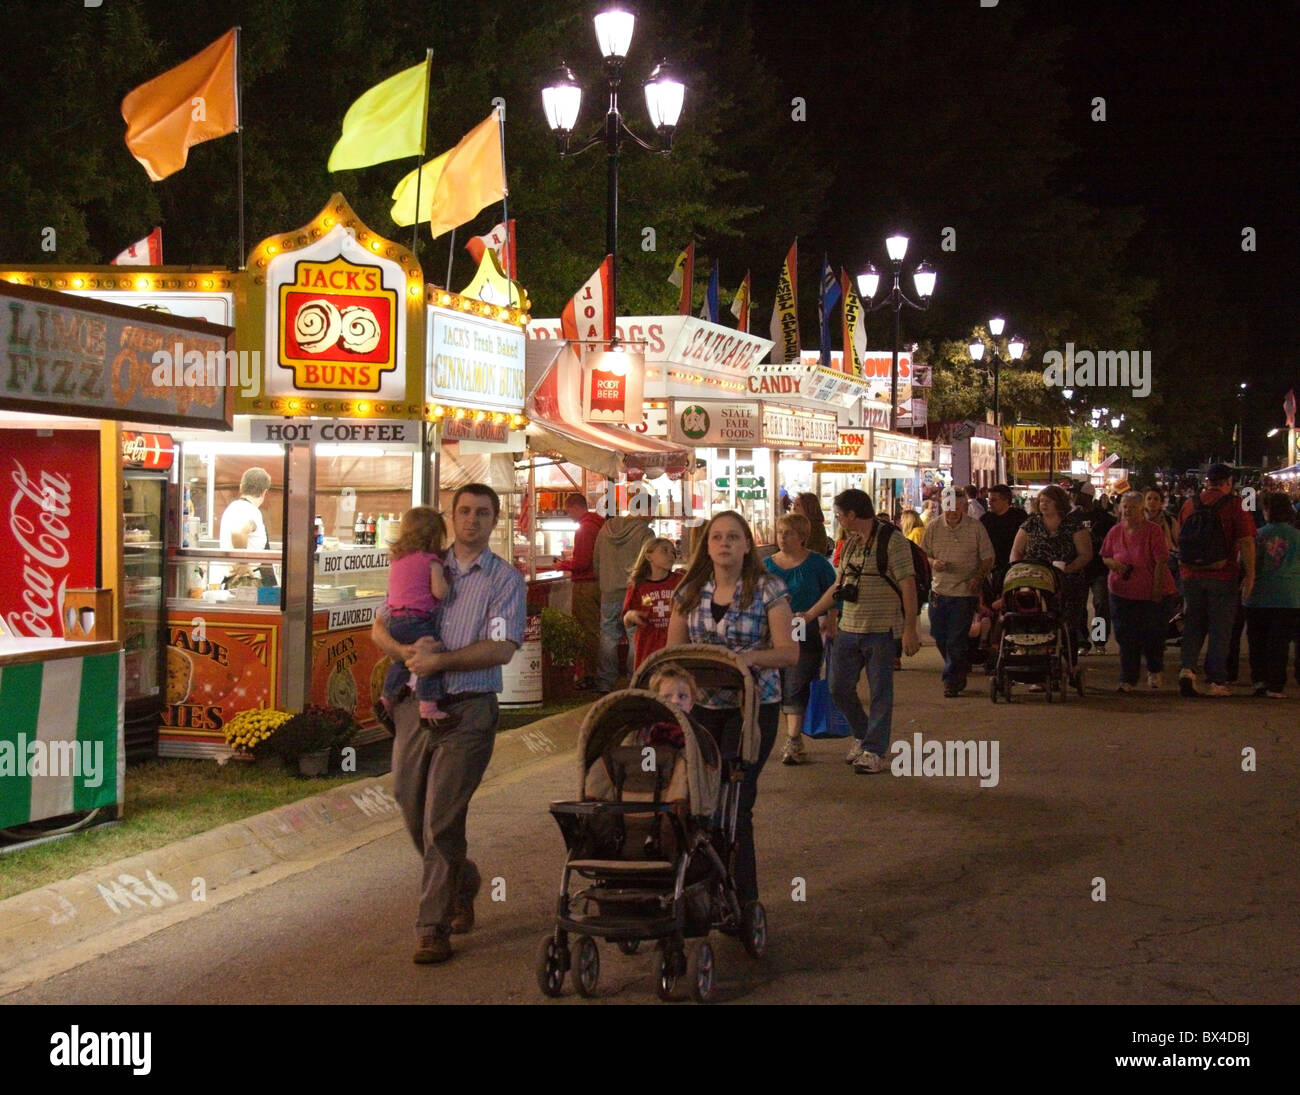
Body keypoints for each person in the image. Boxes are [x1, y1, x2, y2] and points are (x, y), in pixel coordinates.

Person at [371, 483, 525, 965]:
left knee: (442, 819)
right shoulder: (419, 562)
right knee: (408, 803)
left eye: (482, 513)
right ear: (451, 517)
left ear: (494, 521)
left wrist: (442, 664)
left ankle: (431, 926)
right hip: (415, 708)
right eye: (464, 511)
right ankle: (463, 880)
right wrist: (406, 655)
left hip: (470, 708)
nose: (472, 520)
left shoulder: (503, 580)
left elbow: (501, 648)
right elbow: (381, 623)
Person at [665, 511, 797, 906]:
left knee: (735, 801)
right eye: (717, 537)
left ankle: (742, 898)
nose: (724, 544)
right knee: (695, 799)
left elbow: (789, 653)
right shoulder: (689, 592)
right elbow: (673, 655)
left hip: (752, 708)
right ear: (706, 546)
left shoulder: (769, 589)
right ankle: (697, 888)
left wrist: (750, 659)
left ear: (746, 545)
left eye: (733, 537)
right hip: (702, 705)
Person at [799, 489, 921, 774]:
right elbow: (838, 587)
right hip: (849, 628)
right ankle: (864, 735)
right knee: (838, 687)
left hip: (881, 629)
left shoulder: (894, 542)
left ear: (852, 515)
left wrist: (910, 630)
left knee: (880, 692)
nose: (838, 519)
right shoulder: (851, 544)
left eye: (840, 514)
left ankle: (874, 750)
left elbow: (908, 586)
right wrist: (812, 613)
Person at [763, 512, 837, 766]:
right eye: (780, 532)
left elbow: (835, 591)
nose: (782, 538)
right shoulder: (766, 565)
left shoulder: (816, 563)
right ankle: (786, 736)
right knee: (777, 685)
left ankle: (793, 739)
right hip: (772, 632)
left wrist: (830, 620)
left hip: (804, 629)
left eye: (789, 533)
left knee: (796, 683)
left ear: (802, 537)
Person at [1177, 464, 1256, 698]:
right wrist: (1250, 575)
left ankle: (1187, 669)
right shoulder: (1234, 505)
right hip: (1223, 575)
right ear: (1228, 482)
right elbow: (1246, 541)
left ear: (1207, 481)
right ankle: (1216, 679)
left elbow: (1180, 537)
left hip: (1191, 574)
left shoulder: (1190, 504)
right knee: (1220, 629)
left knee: (1194, 623)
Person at [375, 507, 456, 732]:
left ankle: (387, 698)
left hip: (395, 620)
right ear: (435, 535)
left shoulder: (398, 560)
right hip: (417, 619)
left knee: (404, 660)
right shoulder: (431, 561)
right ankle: (428, 704)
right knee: (431, 653)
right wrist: (451, 585)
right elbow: (439, 592)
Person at [1010, 483, 1092, 680]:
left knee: (1067, 625)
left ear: (1059, 503)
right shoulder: (1031, 524)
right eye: (1042, 501)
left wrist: (1067, 569)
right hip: (1036, 580)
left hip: (1067, 582)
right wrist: (1017, 568)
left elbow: (1085, 554)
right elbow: (1016, 550)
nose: (1044, 504)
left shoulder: (1073, 525)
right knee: (1036, 621)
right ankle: (1037, 669)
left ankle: (1070, 664)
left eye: (1048, 501)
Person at [1100, 491, 1176, 691]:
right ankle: (1128, 678)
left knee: (1153, 635)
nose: (1127, 510)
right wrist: (1114, 564)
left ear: (1141, 509)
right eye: (1125, 506)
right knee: (1126, 636)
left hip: (1150, 592)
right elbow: (1105, 556)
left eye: (1132, 507)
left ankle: (1154, 669)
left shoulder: (1153, 531)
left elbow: (1161, 561)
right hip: (1121, 592)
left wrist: (1157, 591)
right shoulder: (1115, 531)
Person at [921, 493, 995, 697]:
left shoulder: (975, 527)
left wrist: (978, 577)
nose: (952, 513)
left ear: (963, 507)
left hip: (964, 592)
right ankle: (958, 666)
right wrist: (933, 562)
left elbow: (988, 557)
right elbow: (924, 554)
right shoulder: (934, 527)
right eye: (948, 508)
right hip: (939, 590)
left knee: (956, 637)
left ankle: (952, 680)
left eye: (956, 508)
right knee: (939, 635)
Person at [1243, 492, 1300, 698]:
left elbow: (1247, 563)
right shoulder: (1297, 537)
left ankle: (1259, 680)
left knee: (1257, 640)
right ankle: (1276, 685)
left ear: (1268, 511)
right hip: (1289, 596)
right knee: (1279, 642)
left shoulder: (1257, 536)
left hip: (1259, 595)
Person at [592, 512, 653, 693]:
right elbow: (648, 565)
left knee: (608, 636)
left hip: (608, 591)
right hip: (634, 591)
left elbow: (596, 560)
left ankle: (604, 682)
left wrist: (603, 581)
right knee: (636, 636)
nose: (653, 518)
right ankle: (634, 680)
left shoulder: (605, 529)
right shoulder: (645, 533)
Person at [556, 492, 605, 689]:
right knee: (596, 630)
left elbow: (582, 562)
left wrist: (563, 565)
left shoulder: (584, 528)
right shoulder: (599, 524)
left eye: (569, 512)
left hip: (586, 585)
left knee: (587, 630)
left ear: (576, 507)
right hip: (599, 583)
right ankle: (597, 672)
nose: (569, 516)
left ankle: (590, 674)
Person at [622, 536, 681, 672]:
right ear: (649, 556)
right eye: (664, 551)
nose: (671, 555)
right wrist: (632, 615)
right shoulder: (638, 585)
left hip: (674, 642)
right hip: (648, 644)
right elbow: (626, 619)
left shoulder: (679, 580)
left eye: (673, 552)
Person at [1072, 481, 1116, 656]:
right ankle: (1082, 641)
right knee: (1078, 606)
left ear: (1087, 496)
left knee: (1100, 604)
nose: (1073, 497)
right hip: (1079, 568)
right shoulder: (1072, 518)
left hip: (1099, 569)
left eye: (1076, 493)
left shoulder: (1104, 518)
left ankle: (1099, 639)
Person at [218, 466, 272, 550]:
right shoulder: (250, 511)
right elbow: (237, 534)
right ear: (264, 493)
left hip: (230, 562)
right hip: (243, 563)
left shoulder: (234, 507)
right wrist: (243, 562)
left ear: (241, 487)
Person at [981, 484, 1026, 572]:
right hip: (993, 565)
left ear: (1006, 500)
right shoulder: (985, 519)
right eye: (989, 500)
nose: (990, 503)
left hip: (1015, 564)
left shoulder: (1019, 516)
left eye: (993, 500)